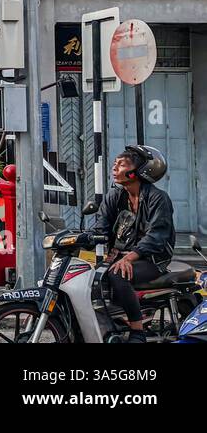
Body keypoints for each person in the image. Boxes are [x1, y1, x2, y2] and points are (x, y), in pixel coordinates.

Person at [93, 144, 175, 343]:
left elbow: (157, 236)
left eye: (121, 165)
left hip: (152, 259)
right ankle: (109, 326)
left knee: (117, 274)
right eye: (115, 164)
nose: (115, 169)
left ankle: (137, 331)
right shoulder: (115, 196)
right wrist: (78, 239)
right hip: (122, 256)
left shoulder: (158, 198)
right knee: (89, 279)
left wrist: (129, 257)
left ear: (137, 172)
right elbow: (100, 227)